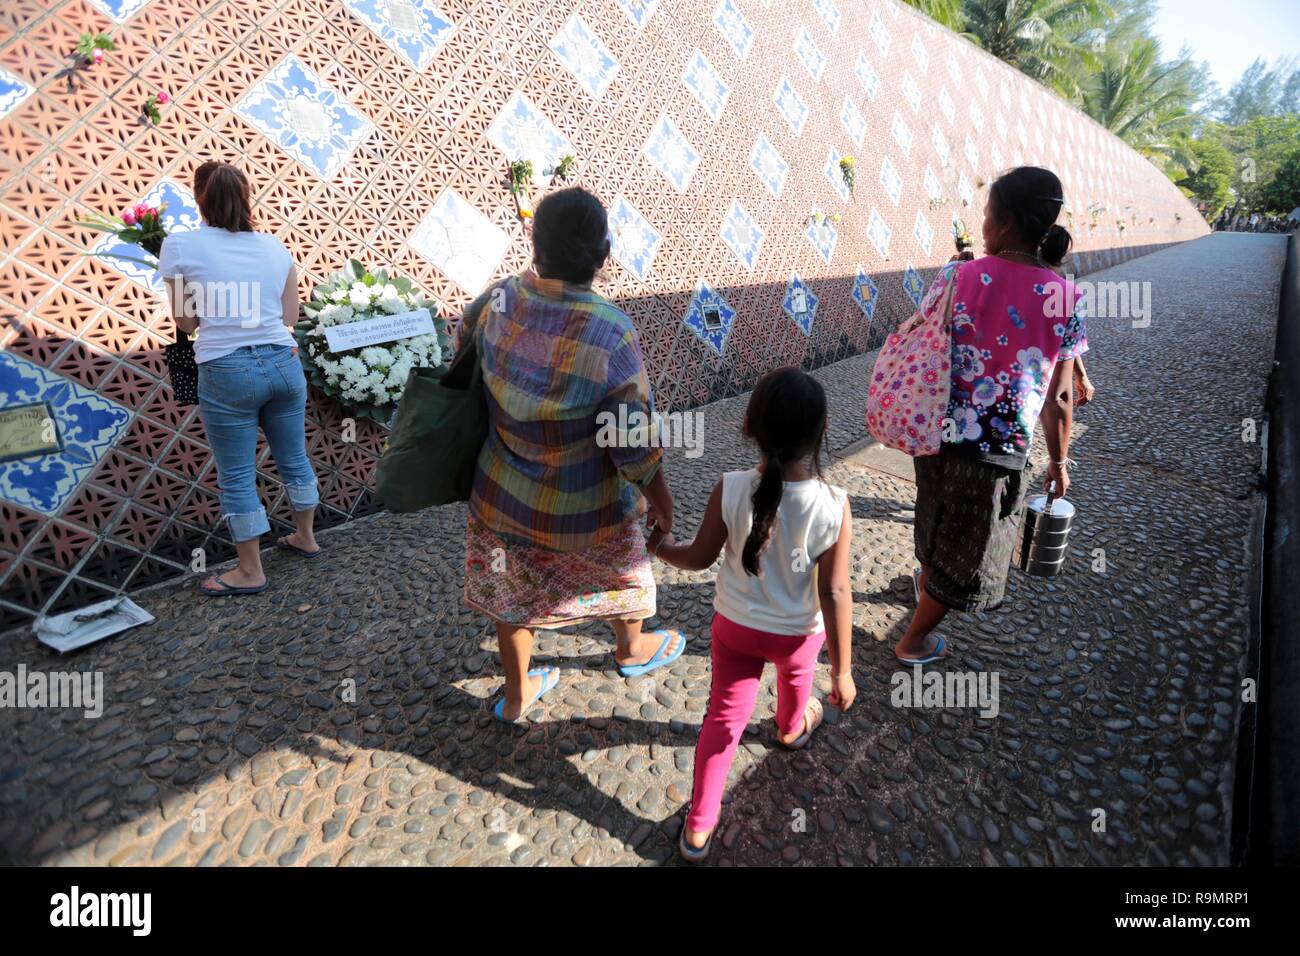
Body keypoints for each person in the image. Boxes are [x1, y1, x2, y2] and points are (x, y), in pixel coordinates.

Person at [461, 186, 684, 723]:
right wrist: (662, 500)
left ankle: (516, 698)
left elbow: (465, 365)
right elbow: (630, 442)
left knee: (511, 591)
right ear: (604, 255)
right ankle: (631, 651)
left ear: (535, 245)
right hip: (588, 508)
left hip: (502, 499)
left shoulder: (496, 300)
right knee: (626, 569)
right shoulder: (611, 330)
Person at [647, 367, 855, 862]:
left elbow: (697, 558)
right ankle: (789, 728)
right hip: (797, 638)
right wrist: (844, 671)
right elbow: (836, 590)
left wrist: (662, 546)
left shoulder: (730, 487)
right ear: (822, 433)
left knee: (723, 717)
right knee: (795, 689)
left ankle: (698, 826)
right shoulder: (834, 506)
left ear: (749, 429)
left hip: (735, 629)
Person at [896, 165, 1087, 664]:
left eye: (986, 215)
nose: (982, 225)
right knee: (968, 546)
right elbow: (1060, 398)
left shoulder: (957, 275)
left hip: (937, 432)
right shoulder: (1064, 297)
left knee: (935, 511)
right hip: (997, 449)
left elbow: (925, 338)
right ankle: (912, 639)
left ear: (1002, 224)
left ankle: (925, 580)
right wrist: (1060, 463)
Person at [158, 161, 319, 596]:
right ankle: (306, 536)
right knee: (294, 457)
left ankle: (250, 570)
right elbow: (289, 316)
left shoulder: (179, 245)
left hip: (227, 369)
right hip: (284, 364)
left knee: (236, 474)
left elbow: (186, 322)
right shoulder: (274, 247)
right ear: (246, 197)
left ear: (199, 199)